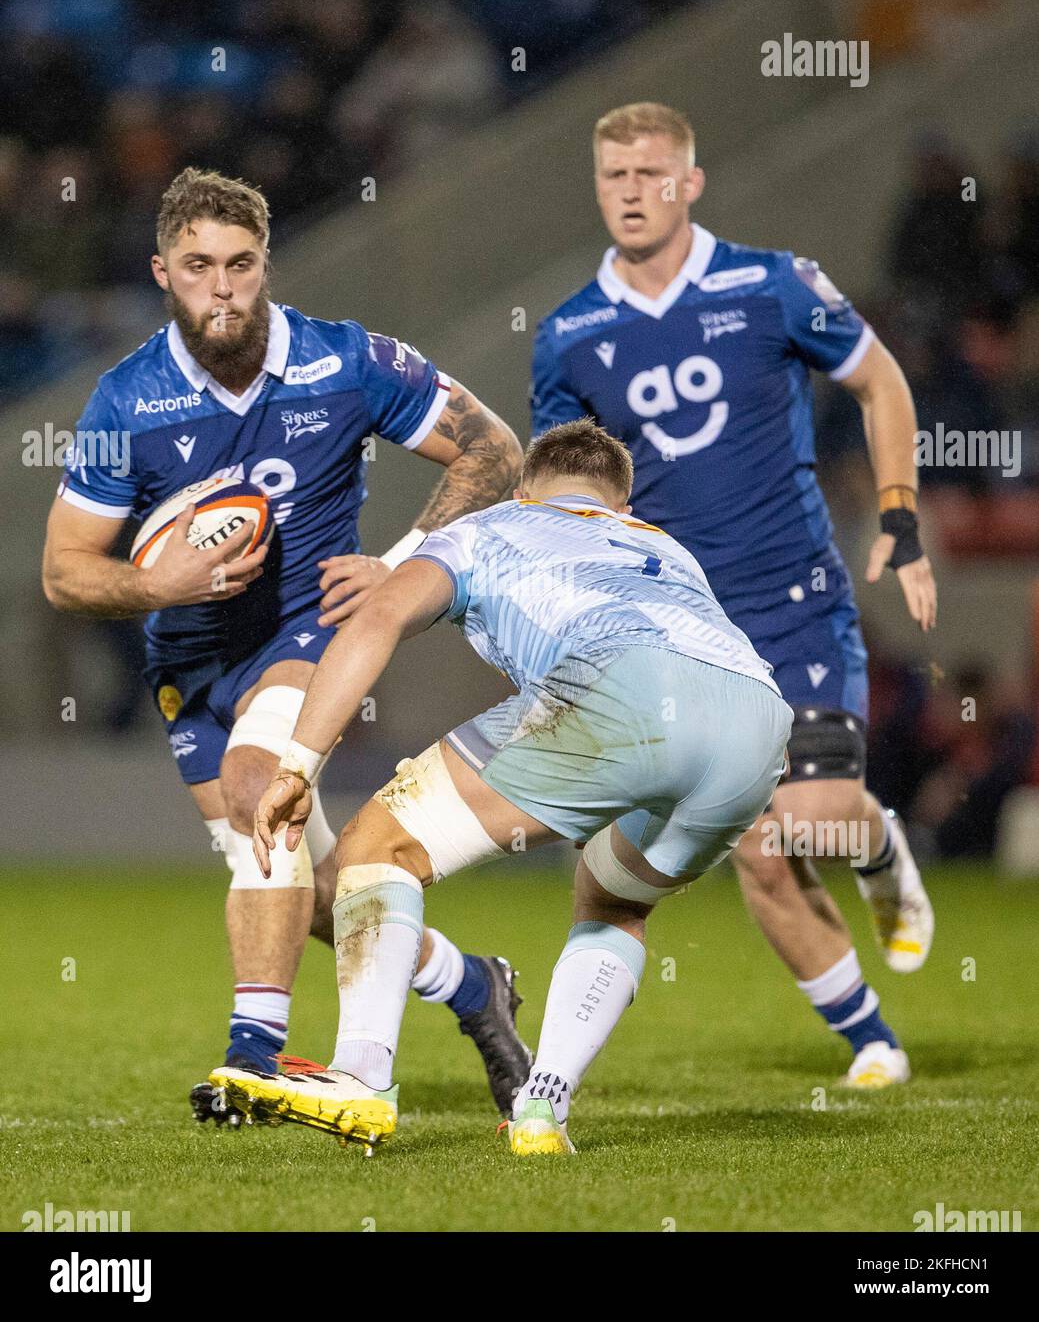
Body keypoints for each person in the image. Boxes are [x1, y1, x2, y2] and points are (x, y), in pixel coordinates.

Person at [41, 167, 531, 1121]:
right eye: (196, 267)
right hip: (188, 667)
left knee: (259, 784)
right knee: (311, 892)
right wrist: (157, 586)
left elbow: (495, 451)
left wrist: (397, 564)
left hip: (308, 634)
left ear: (265, 264)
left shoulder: (347, 361)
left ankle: (252, 1055)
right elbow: (65, 571)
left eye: (239, 264)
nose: (220, 287)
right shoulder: (123, 401)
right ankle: (476, 988)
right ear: (161, 273)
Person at [212, 419, 793, 1156]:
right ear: (619, 502)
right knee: (613, 900)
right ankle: (541, 1107)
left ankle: (359, 1075)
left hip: (616, 685)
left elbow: (380, 616)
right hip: (756, 721)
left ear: (525, 490)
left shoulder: (494, 524)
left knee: (377, 846)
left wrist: (298, 764)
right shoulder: (662, 545)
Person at [530, 103, 937, 1088]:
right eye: (613, 177)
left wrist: (898, 516)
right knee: (754, 852)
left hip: (792, 603)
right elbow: (557, 489)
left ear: (690, 182)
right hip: (679, 634)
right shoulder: (568, 336)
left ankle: (877, 843)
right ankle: (871, 1041)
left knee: (817, 818)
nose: (631, 193)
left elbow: (880, 382)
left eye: (650, 174)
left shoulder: (772, 283)